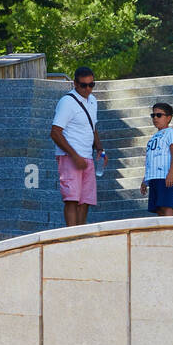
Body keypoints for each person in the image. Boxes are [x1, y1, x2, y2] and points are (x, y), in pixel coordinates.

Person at [50, 66, 104, 227]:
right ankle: (70, 237)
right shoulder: (67, 102)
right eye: (83, 85)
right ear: (75, 83)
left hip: (87, 155)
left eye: (91, 85)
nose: (88, 89)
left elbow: (92, 126)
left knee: (85, 200)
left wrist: (100, 148)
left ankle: (80, 236)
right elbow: (55, 132)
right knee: (72, 199)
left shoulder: (92, 100)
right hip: (70, 157)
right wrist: (74, 156)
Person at [140, 102, 173, 216]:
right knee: (158, 208)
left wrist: (171, 172)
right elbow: (150, 160)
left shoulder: (171, 133)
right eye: (153, 115)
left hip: (164, 175)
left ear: (168, 118)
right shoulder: (154, 137)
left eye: (159, 115)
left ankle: (171, 230)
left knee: (166, 206)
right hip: (153, 176)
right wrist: (145, 179)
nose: (155, 118)